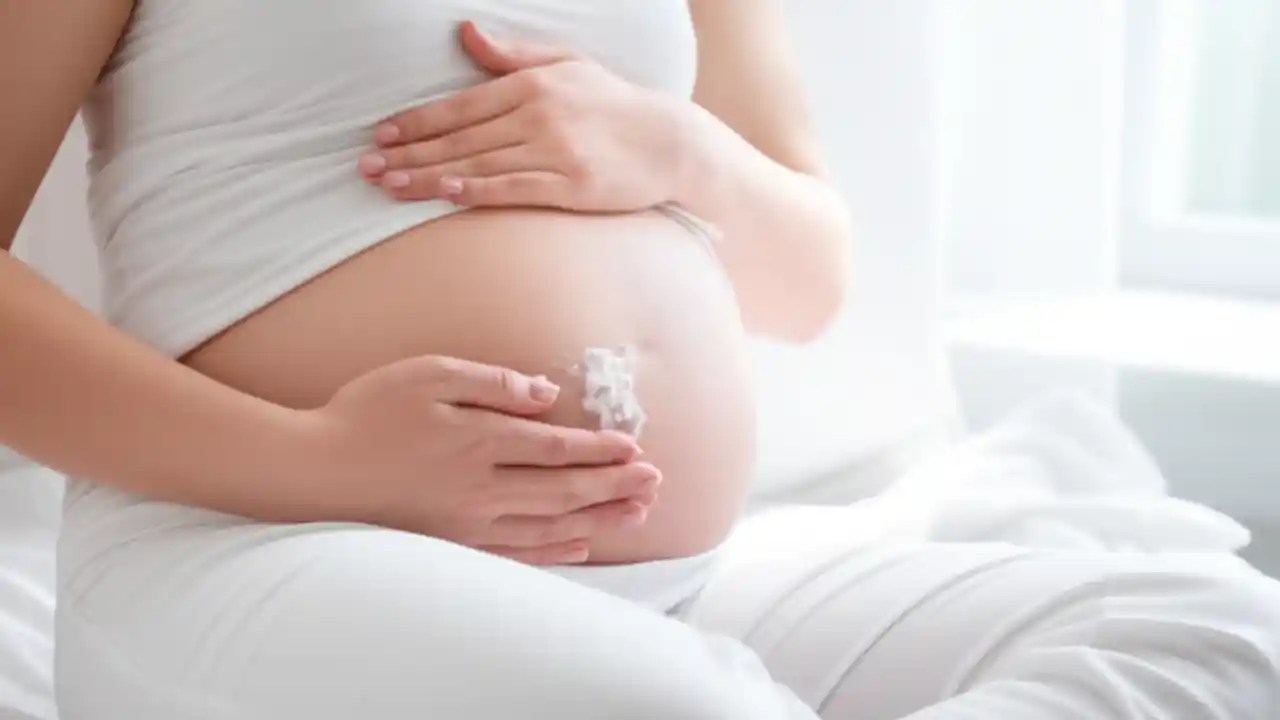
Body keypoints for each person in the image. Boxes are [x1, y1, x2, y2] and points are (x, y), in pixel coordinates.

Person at [2, 1, 1277, 717]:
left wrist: (676, 153)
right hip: (254, 548)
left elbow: (807, 280)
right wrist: (320, 460)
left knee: (1213, 636)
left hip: (684, 578)